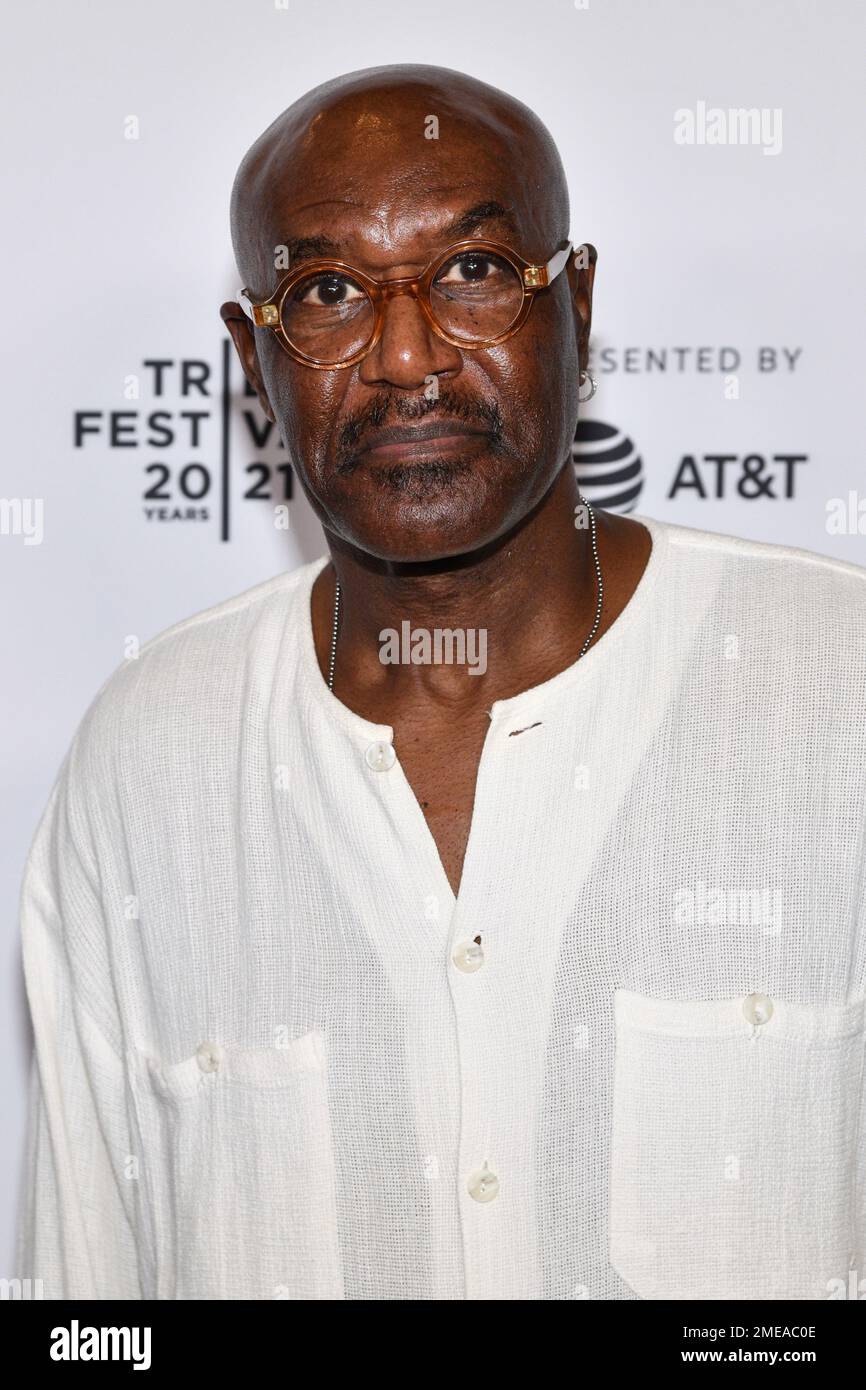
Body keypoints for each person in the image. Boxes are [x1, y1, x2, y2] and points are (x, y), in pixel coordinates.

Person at [16, 64, 866, 1301]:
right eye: (326, 293)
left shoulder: (834, 692)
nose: (406, 355)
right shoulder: (147, 763)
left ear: (574, 300)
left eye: (471, 273)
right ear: (255, 357)